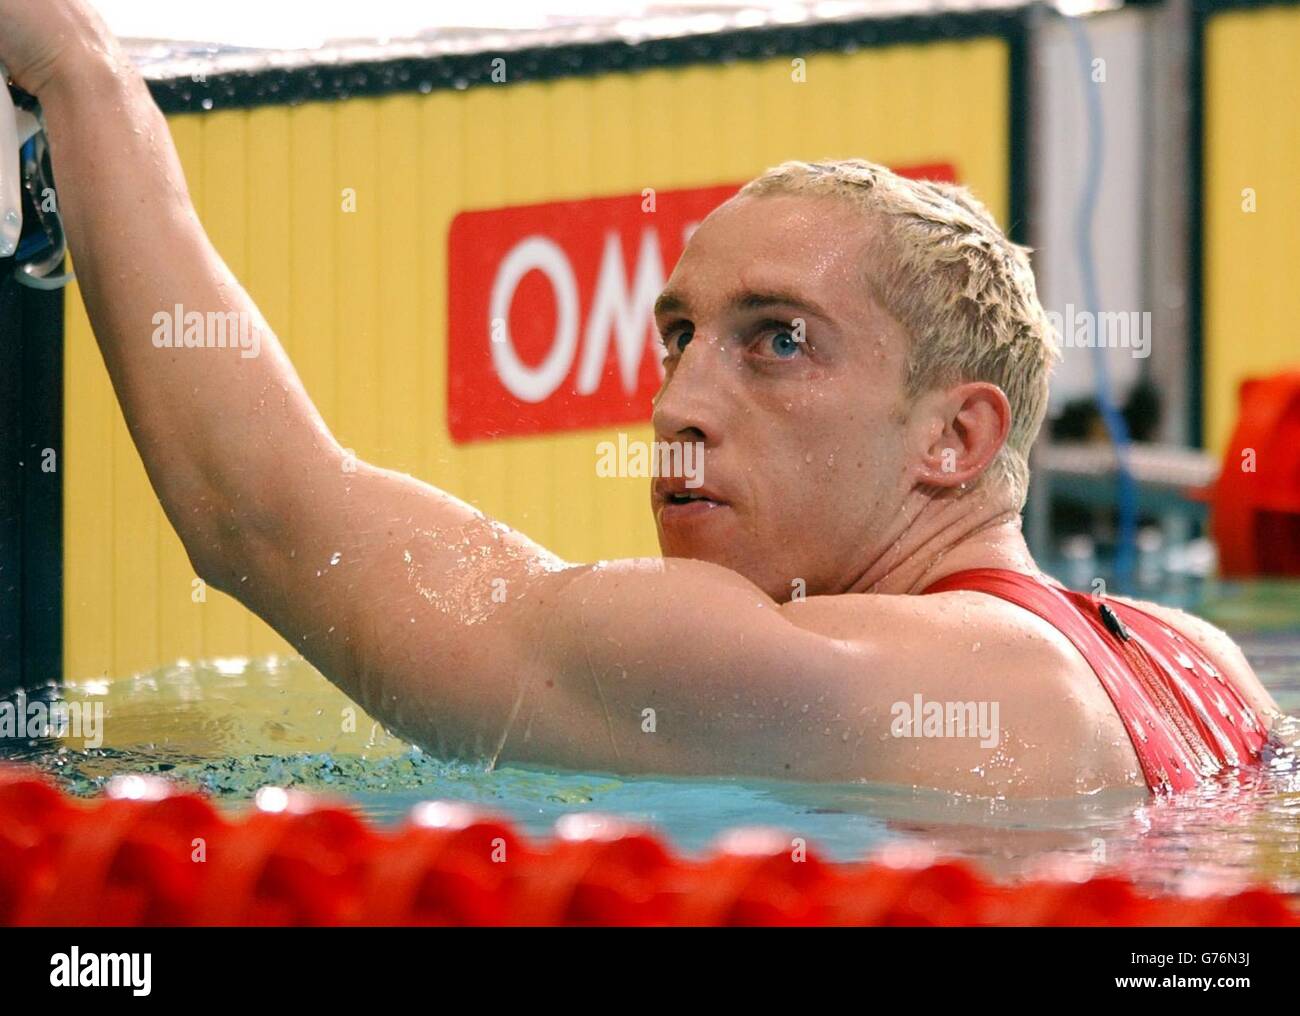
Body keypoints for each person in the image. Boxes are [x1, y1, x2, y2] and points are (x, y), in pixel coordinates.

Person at [0, 0, 1280, 797]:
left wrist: (79, 68)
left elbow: (267, 518)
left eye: (777, 340)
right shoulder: (1204, 662)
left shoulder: (815, 670)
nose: (678, 401)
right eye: (676, 336)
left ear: (956, 436)